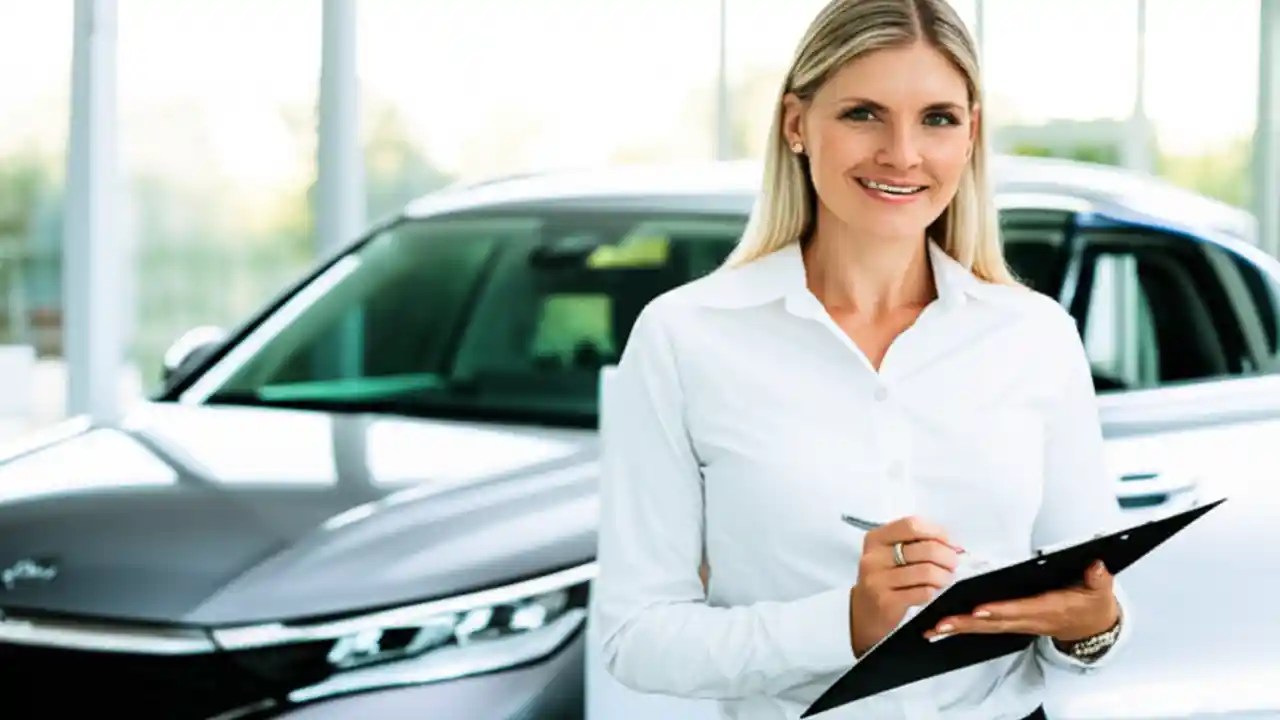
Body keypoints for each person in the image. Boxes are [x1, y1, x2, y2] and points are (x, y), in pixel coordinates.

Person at [589, 0, 1132, 718]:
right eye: (863, 114)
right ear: (795, 125)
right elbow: (637, 637)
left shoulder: (1035, 336)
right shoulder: (685, 338)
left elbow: (1091, 602)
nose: (902, 153)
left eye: (937, 118)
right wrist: (847, 623)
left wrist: (1093, 629)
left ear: (970, 136)